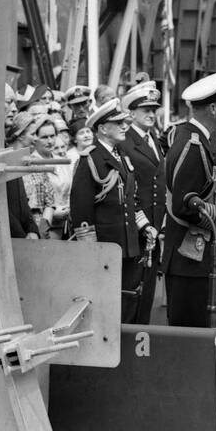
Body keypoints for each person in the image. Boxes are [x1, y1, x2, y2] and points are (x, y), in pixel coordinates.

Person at [161, 71, 216, 327]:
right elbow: (185, 205)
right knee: (188, 335)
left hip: (193, 256)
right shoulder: (193, 146)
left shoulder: (191, 138)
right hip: (187, 258)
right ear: (212, 108)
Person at [70, 100, 156, 322]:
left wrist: (145, 225)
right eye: (117, 123)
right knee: (107, 306)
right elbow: (81, 209)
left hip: (128, 243)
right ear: (102, 128)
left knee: (128, 300)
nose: (124, 126)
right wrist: (91, 251)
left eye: (124, 122)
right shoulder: (90, 159)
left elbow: (131, 200)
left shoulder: (122, 156)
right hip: (106, 247)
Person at [122, 81, 166, 323]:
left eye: (153, 109)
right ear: (131, 113)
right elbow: (130, 191)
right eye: (145, 110)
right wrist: (144, 223)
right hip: (137, 229)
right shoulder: (126, 142)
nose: (151, 114)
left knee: (147, 294)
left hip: (153, 229)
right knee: (133, 294)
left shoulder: (153, 140)